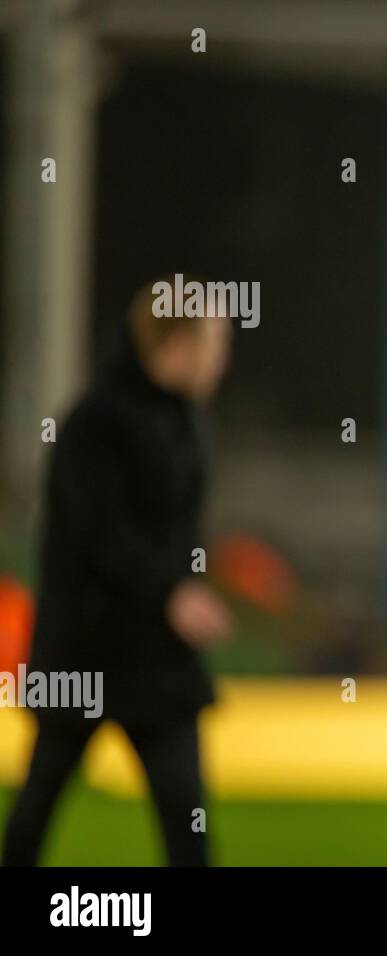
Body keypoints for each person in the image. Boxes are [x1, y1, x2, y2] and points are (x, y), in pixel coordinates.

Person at [2, 281, 232, 867]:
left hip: (159, 664)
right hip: (84, 653)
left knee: (188, 823)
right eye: (214, 340)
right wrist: (172, 592)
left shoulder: (188, 423)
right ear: (177, 343)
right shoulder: (93, 423)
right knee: (36, 812)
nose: (222, 356)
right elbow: (99, 536)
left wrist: (186, 591)